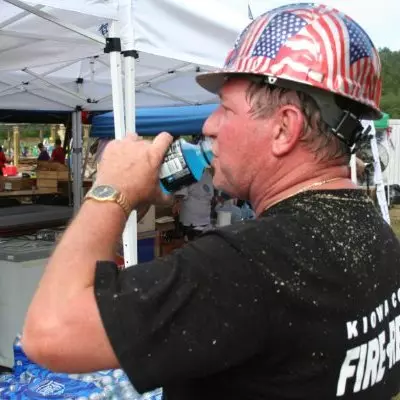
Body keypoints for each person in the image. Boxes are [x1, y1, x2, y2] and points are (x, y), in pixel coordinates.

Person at [21, 4, 400, 400]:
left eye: (225, 107)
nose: (208, 125)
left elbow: (49, 331)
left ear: (284, 128)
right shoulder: (377, 234)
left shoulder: (249, 264)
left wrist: (111, 189)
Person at [172, 167, 213, 241]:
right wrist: (176, 203)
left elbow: (209, 194)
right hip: (191, 222)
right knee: (193, 245)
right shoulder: (188, 172)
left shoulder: (208, 173)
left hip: (205, 220)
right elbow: (181, 194)